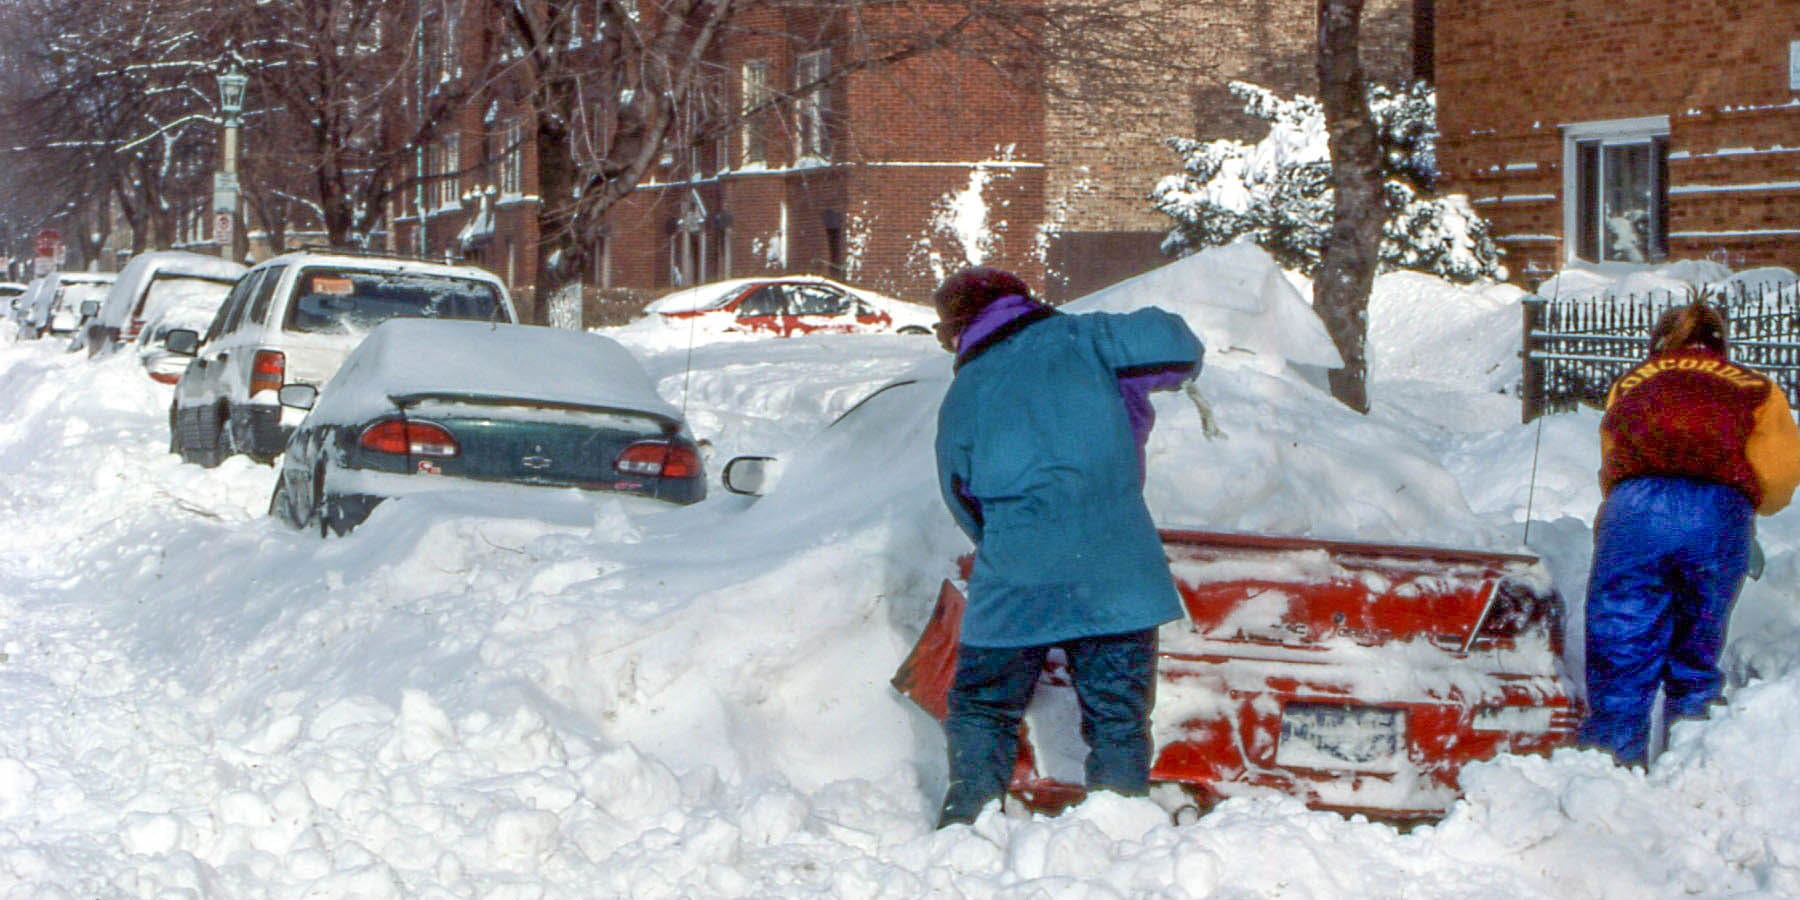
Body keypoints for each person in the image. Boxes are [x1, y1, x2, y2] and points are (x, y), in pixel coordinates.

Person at [930, 266, 1203, 827]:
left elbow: (960, 494)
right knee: (1117, 718)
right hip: (1114, 566)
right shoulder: (1089, 339)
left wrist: (1014, 539)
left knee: (984, 707)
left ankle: (968, 824)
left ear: (960, 327)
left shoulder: (964, 393)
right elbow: (1178, 346)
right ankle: (1118, 828)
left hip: (1016, 570)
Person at [1582, 300, 1800, 766]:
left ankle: (1609, 768)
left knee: (1621, 645)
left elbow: (1612, 452)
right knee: (1697, 648)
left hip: (1635, 512)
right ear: (1720, 342)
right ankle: (1689, 764)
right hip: (1716, 514)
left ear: (1661, 340)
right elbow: (1781, 474)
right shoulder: (1756, 388)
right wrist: (1752, 503)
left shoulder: (1633, 382)